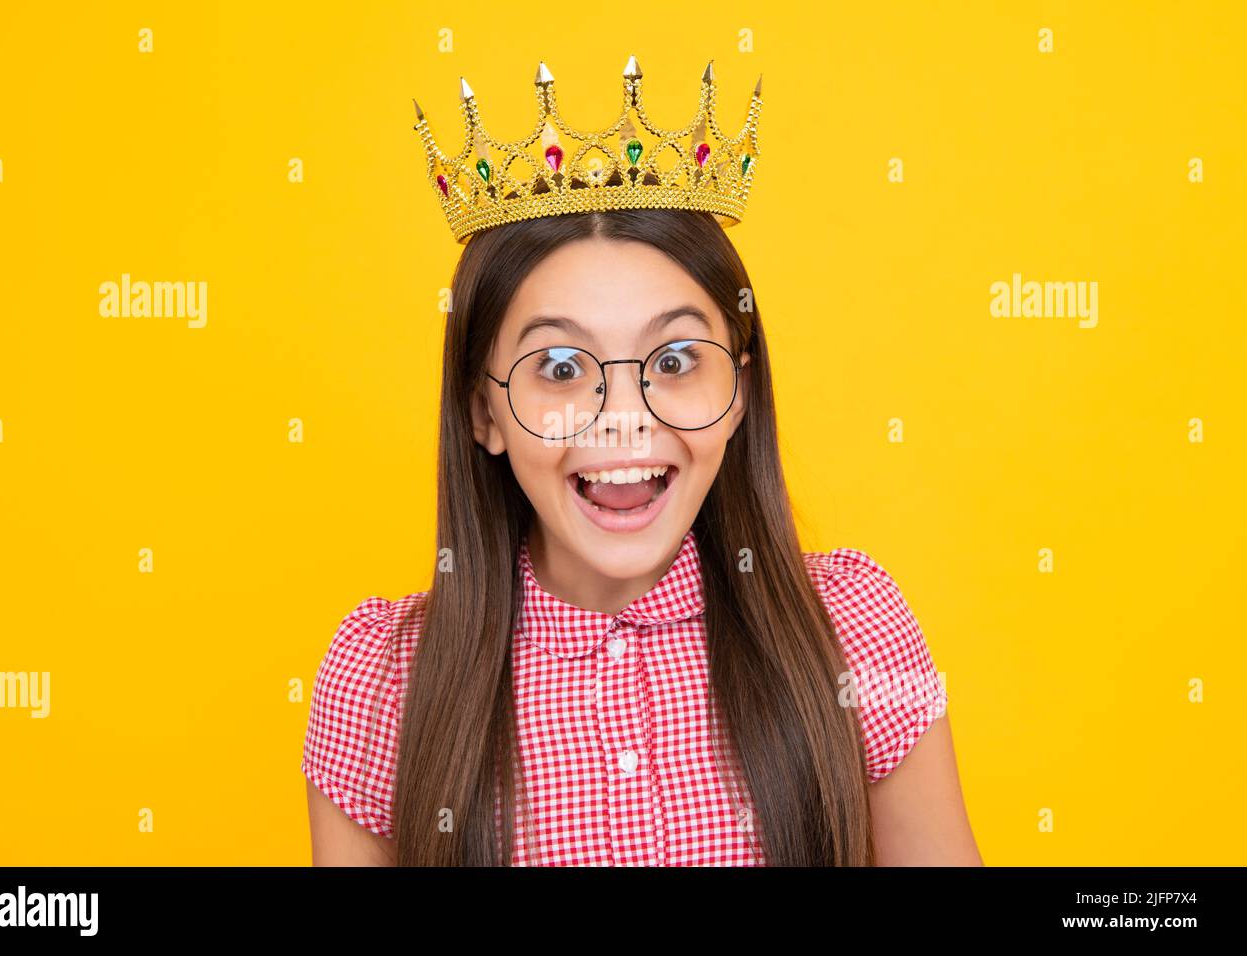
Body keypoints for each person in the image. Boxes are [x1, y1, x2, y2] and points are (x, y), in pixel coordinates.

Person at [302, 56, 981, 866]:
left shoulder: (854, 630)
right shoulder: (382, 681)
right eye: (560, 368)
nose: (624, 418)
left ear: (739, 391)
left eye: (675, 359)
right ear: (485, 412)